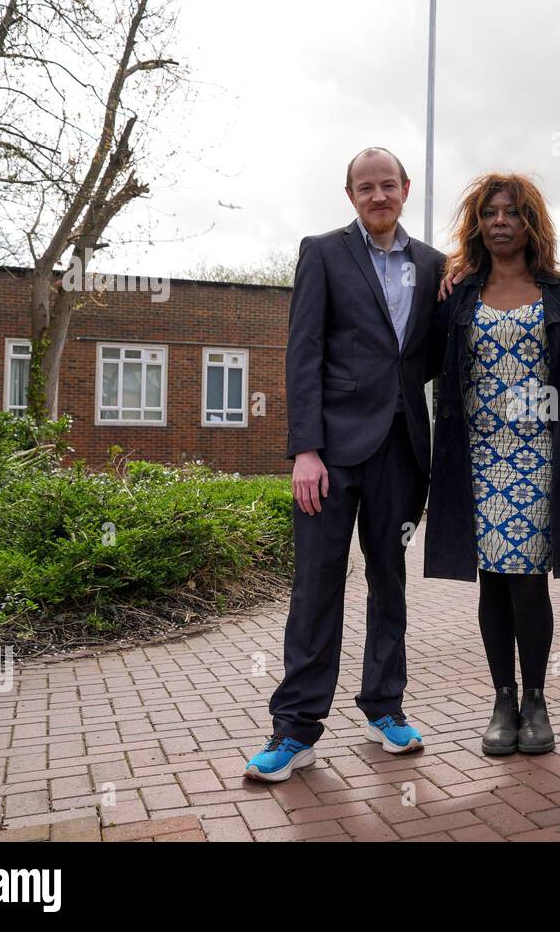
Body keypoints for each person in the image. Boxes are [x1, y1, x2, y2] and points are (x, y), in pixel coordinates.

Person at [245, 147, 446, 783]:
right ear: (351, 194)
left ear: (406, 189)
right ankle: (296, 729)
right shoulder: (323, 252)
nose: (378, 195)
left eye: (388, 185)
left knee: (389, 581)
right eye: (366, 187)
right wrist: (304, 449)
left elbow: (430, 357)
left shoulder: (433, 264)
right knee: (316, 585)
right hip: (330, 454)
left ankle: (385, 708)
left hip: (402, 449)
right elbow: (301, 352)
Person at [425, 172, 560, 757]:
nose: (500, 222)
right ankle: (502, 698)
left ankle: (536, 699)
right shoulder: (459, 294)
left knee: (527, 581)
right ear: (477, 224)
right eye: (489, 213)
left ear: (531, 223)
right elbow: (421, 359)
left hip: (540, 455)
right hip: (475, 455)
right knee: (493, 581)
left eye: (512, 212)